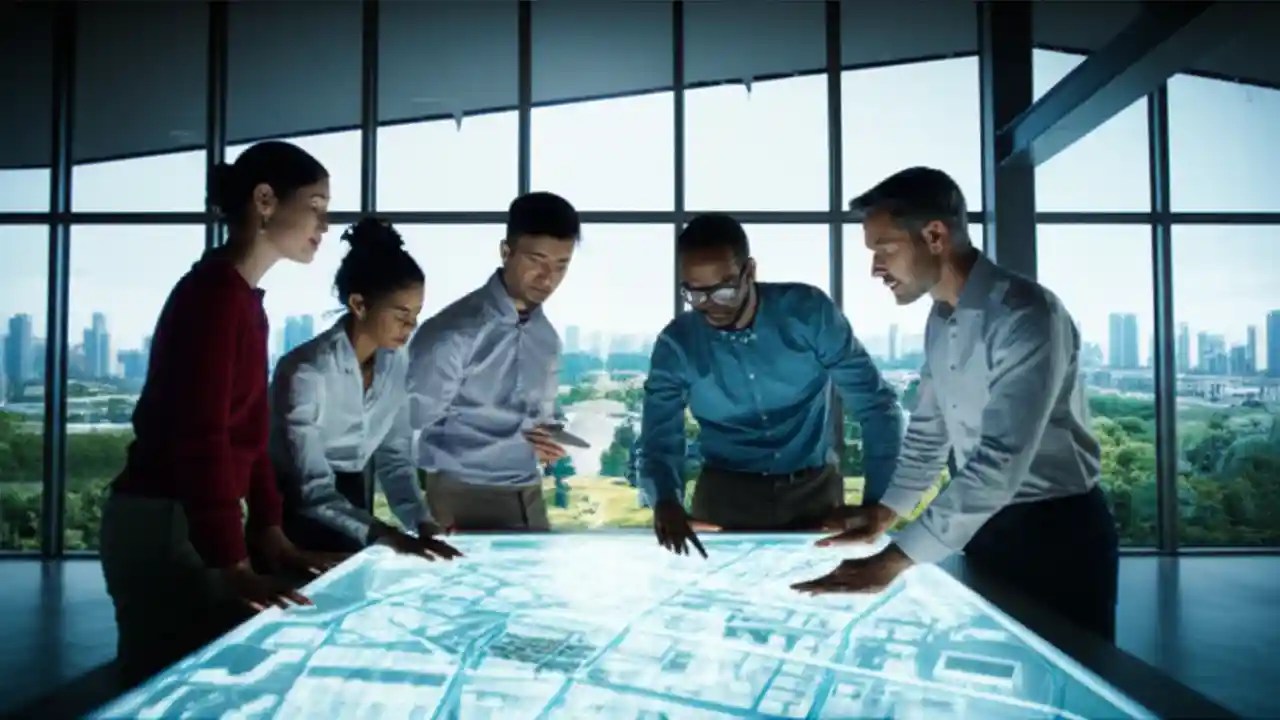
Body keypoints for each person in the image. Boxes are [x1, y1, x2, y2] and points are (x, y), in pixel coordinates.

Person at [792, 167, 1119, 643]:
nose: (875, 269)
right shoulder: (939, 319)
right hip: (985, 527)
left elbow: (999, 462)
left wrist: (893, 560)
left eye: (884, 249)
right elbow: (928, 433)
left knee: (1077, 686)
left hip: (1057, 533)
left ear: (934, 235)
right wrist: (885, 514)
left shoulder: (1026, 315)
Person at [99, 141, 342, 686]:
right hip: (163, 520)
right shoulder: (214, 297)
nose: (324, 224)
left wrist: (271, 530)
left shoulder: (241, 298)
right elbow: (202, 436)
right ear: (265, 200)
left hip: (183, 519)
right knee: (164, 689)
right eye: (317, 205)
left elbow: (248, 434)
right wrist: (232, 562)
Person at [640, 214, 905, 557]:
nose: (710, 306)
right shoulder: (676, 345)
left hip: (815, 496)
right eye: (695, 293)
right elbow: (660, 438)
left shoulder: (809, 314)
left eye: (723, 290)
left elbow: (876, 406)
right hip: (724, 498)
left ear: (749, 272)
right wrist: (664, 499)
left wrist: (877, 503)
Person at [269, 218, 462, 561]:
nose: (411, 326)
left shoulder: (397, 363)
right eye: (401, 314)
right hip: (292, 517)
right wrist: (386, 534)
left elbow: (394, 458)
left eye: (416, 314)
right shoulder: (306, 372)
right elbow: (312, 491)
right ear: (359, 305)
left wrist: (422, 523)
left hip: (356, 506)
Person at [406, 192, 577, 531]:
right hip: (461, 493)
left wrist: (549, 437)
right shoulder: (452, 332)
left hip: (528, 492)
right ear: (506, 252)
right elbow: (410, 423)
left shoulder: (547, 339)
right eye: (537, 261)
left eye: (561, 265)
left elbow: (541, 416)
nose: (549, 278)